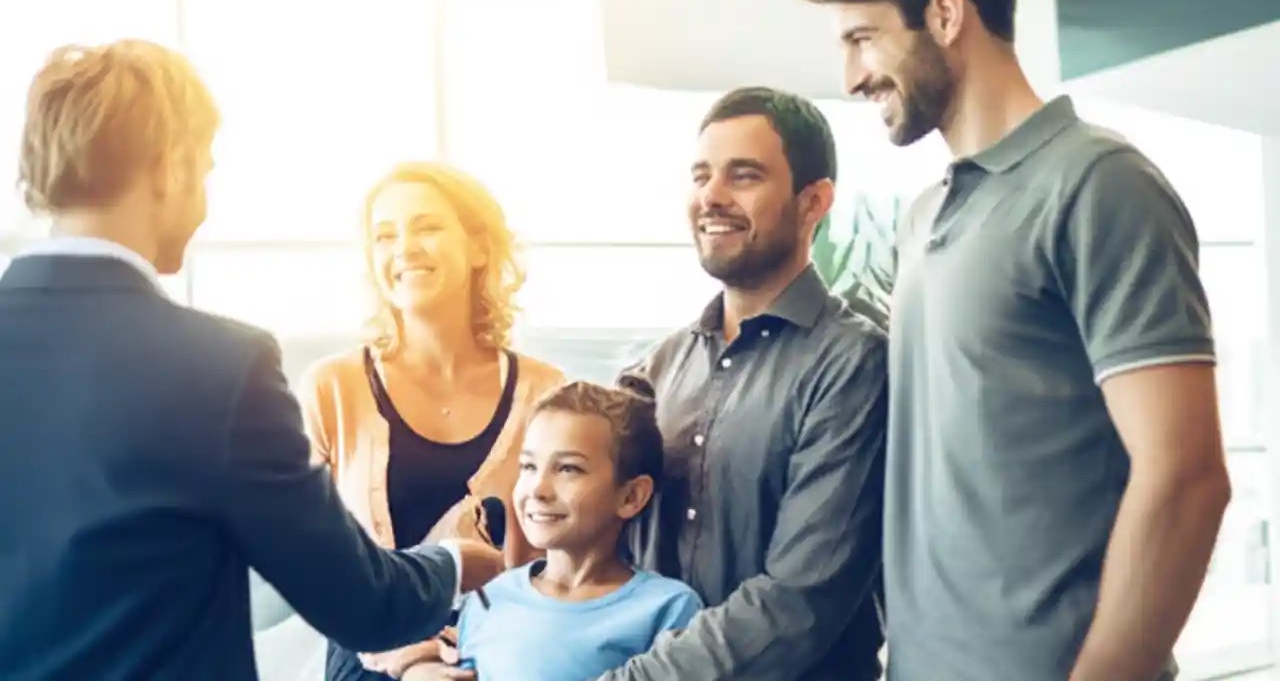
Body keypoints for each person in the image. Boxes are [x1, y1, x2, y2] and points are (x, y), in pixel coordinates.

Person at [0, 39, 500, 680]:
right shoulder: (219, 368)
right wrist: (455, 561)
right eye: (204, 171)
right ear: (170, 169)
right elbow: (361, 602)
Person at [792, 0, 1233, 680]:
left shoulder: (1099, 184)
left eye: (863, 39)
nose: (851, 78)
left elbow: (1186, 479)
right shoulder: (922, 218)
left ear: (945, 14)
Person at [600, 87, 889, 681]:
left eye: (744, 175)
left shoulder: (853, 364)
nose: (711, 196)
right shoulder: (657, 370)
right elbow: (593, 551)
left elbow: (800, 602)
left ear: (813, 201)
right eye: (701, 175)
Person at [298, 161, 566, 680]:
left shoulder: (547, 393)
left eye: (427, 227)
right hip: (367, 659)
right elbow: (309, 565)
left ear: (479, 247)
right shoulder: (331, 389)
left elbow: (564, 561)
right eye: (385, 236)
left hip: (503, 657)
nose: (404, 248)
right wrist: (410, 660)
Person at [413, 377, 703, 680]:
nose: (538, 489)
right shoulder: (490, 597)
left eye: (568, 469)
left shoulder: (668, 609)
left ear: (631, 496)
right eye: (528, 466)